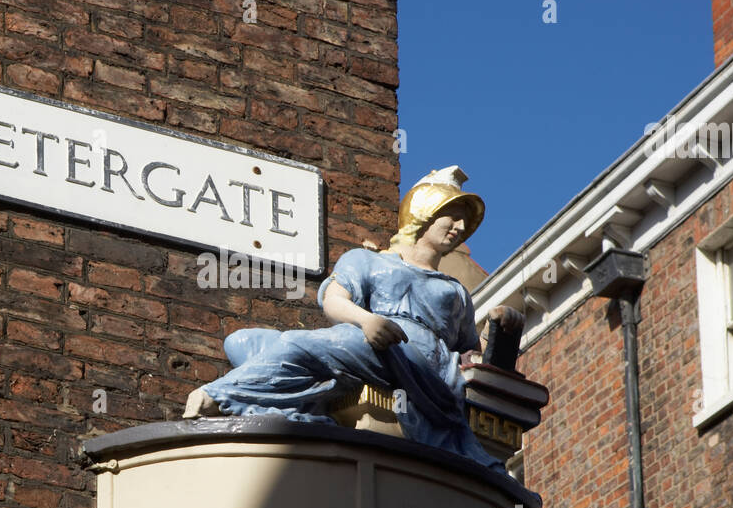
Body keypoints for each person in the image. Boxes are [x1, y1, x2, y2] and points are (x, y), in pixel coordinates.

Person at [183, 167, 505, 472]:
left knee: (300, 343)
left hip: (422, 365)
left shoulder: (455, 291)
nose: (460, 228)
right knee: (241, 342)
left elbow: (470, 356)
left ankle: (220, 396)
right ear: (425, 212)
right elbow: (334, 300)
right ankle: (299, 413)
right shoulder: (366, 261)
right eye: (453, 217)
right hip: (374, 339)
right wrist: (367, 321)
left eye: (465, 223)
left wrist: (501, 337)